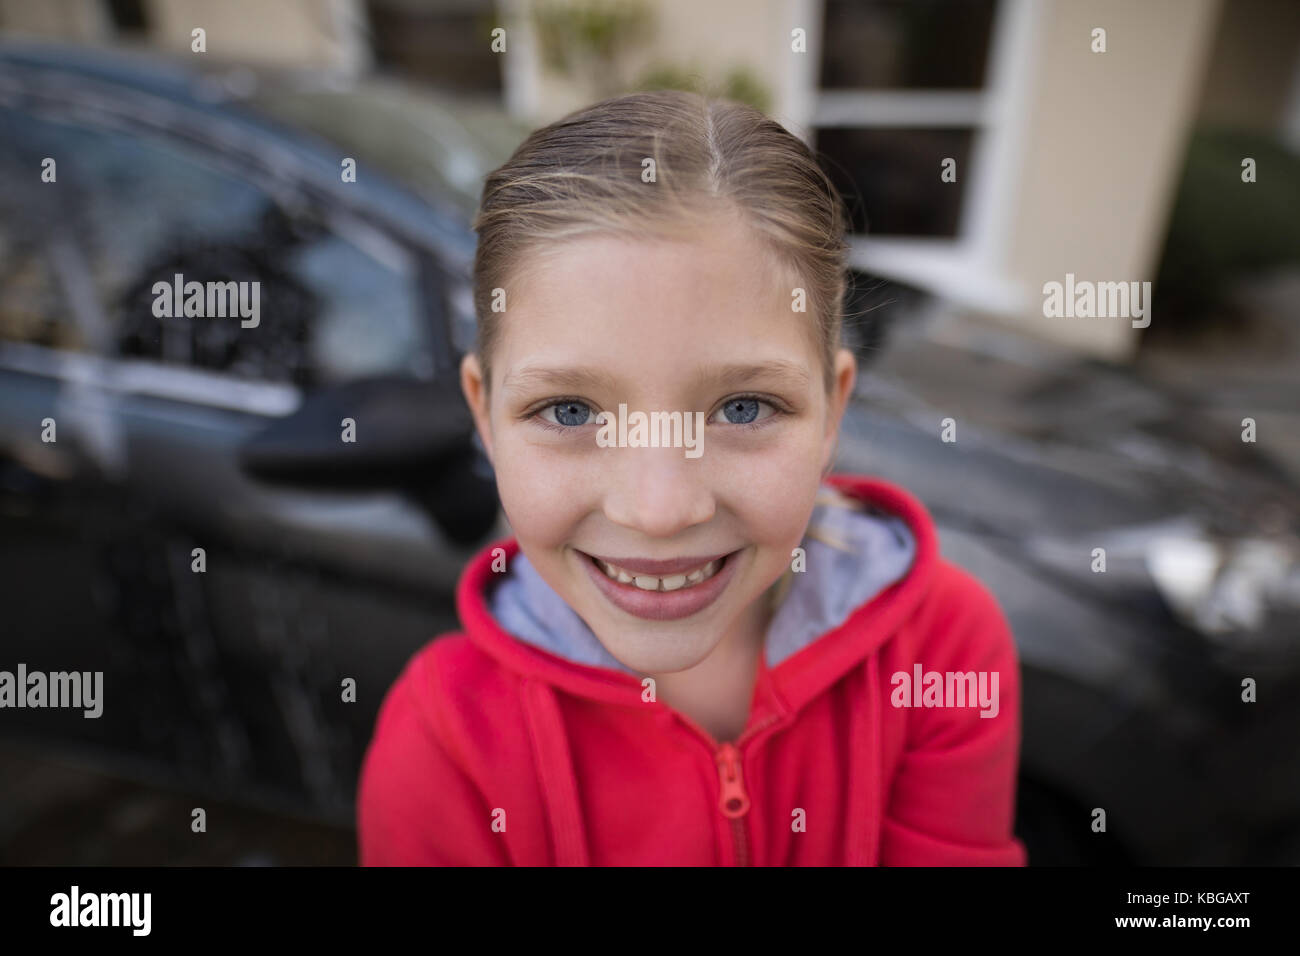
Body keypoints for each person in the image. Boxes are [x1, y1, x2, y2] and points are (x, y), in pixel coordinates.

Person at [357, 90, 1027, 866]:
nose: (660, 510)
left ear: (833, 412)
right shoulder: (447, 737)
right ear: (485, 416)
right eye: (570, 412)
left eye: (743, 407)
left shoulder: (942, 647)